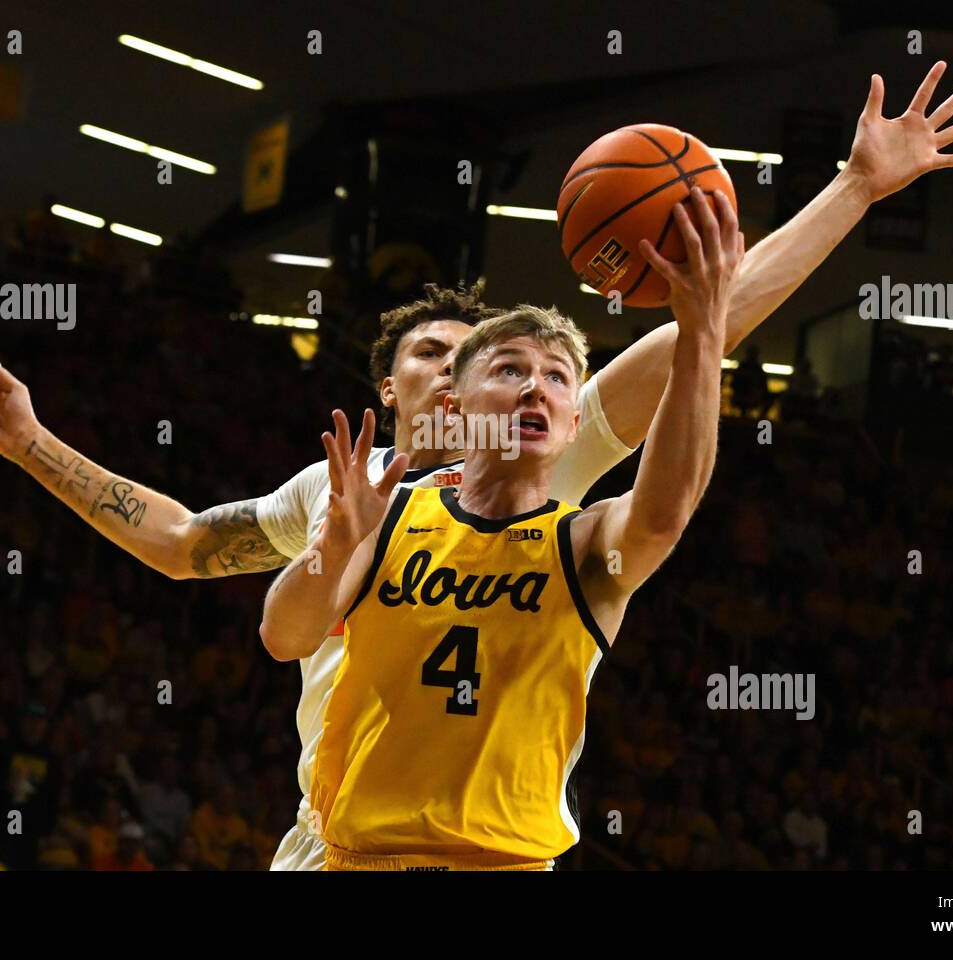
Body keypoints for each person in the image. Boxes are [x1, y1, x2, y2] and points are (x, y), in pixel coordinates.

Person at [0, 60, 953, 869]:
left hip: (490, 833)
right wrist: (33, 445)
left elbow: (700, 333)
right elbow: (178, 546)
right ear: (400, 393)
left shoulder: (552, 461)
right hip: (340, 831)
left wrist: (853, 189)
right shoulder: (338, 489)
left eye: (488, 354)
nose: (467, 371)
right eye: (433, 357)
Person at [259, 186, 740, 869]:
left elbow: (664, 514)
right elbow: (284, 637)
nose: (534, 387)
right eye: (510, 368)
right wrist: (329, 551)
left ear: (574, 423)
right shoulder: (387, 516)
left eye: (556, 377)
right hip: (361, 857)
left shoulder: (582, 544)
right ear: (455, 406)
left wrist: (702, 334)